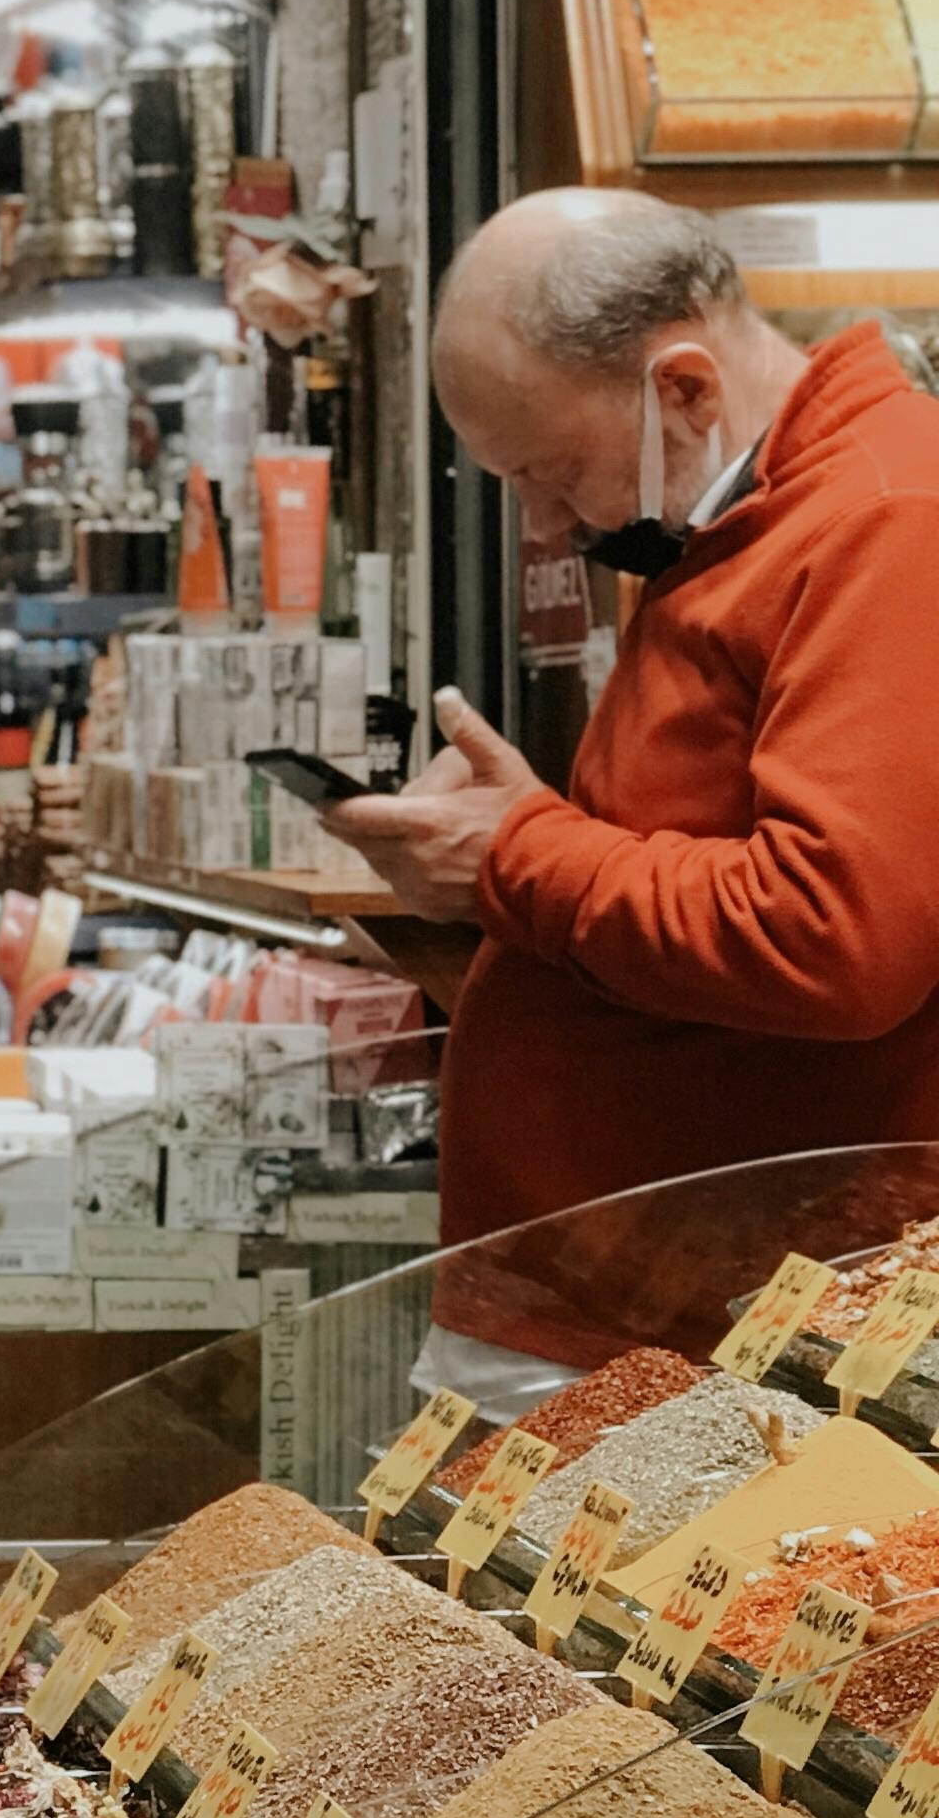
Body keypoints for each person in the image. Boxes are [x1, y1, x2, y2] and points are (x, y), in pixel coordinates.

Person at [325, 190, 939, 1248]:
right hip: (652, 1274)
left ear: (686, 388)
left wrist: (516, 858)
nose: (548, 524)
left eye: (555, 473)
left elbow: (830, 936)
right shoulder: (752, 511)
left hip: (730, 1287)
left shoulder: (885, 518)